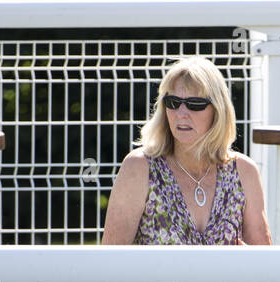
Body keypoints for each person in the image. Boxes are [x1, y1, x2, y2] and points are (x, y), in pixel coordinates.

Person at [102, 57, 270, 245]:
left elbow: (266, 263)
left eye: (194, 104)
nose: (181, 113)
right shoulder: (139, 168)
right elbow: (110, 261)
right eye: (173, 102)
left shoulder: (244, 171)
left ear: (218, 110)